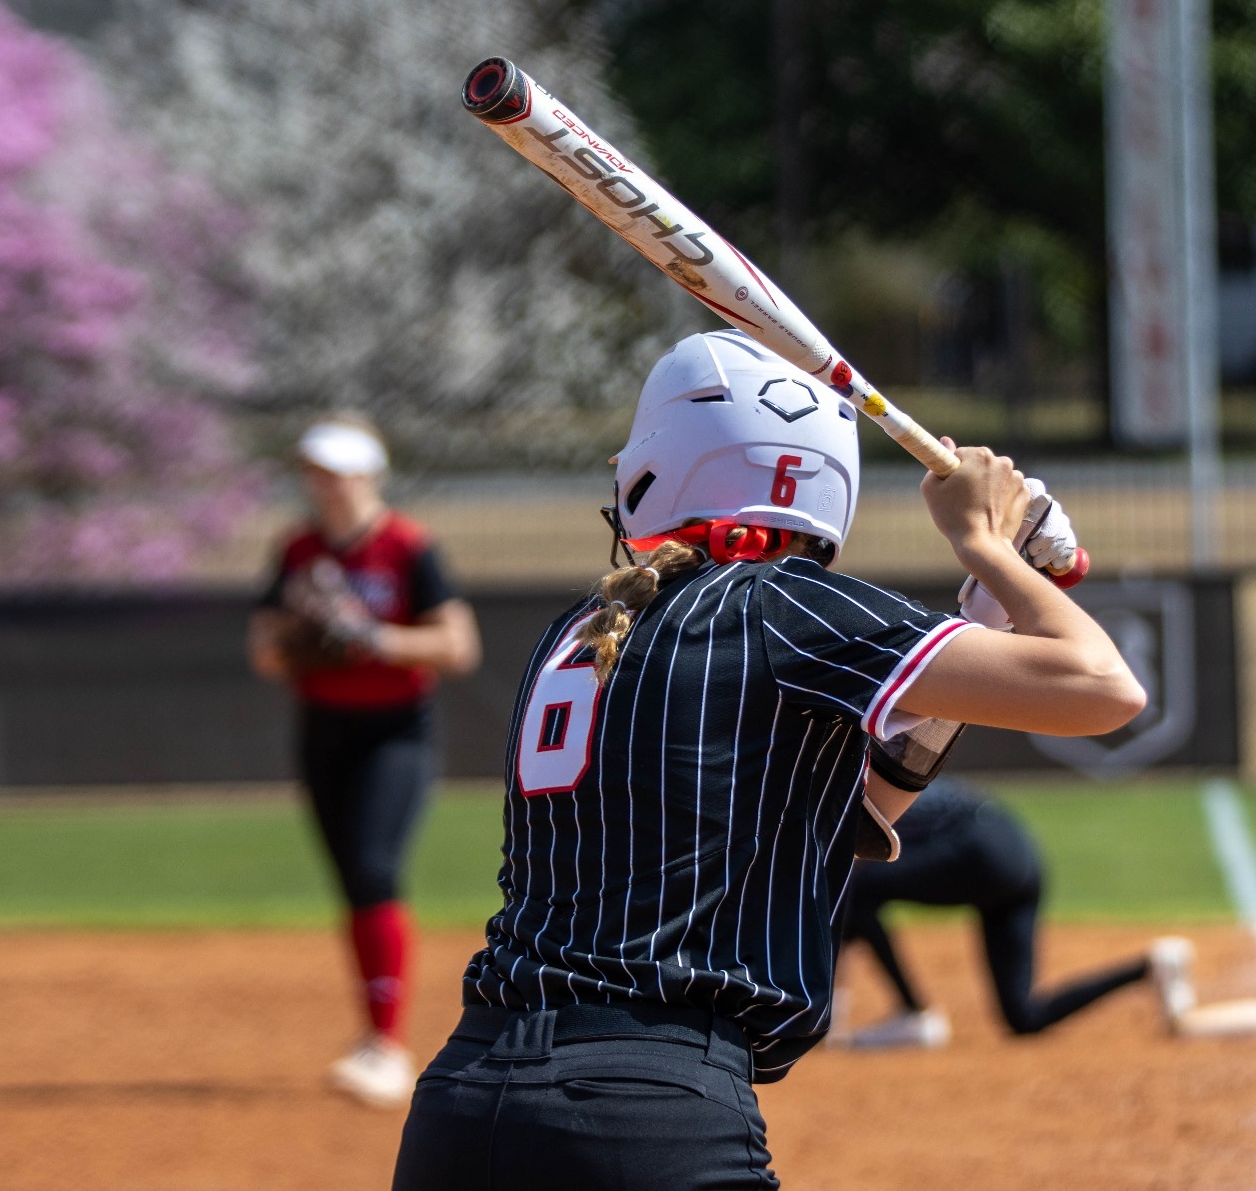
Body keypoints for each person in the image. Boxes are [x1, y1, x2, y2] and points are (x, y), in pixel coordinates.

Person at [390, 331, 1147, 1190]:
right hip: (646, 1114)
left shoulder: (586, 628)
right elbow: (1103, 687)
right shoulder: (780, 607)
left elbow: (841, 821)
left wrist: (992, 614)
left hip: (463, 1099)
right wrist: (988, 546)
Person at [247, 413, 483, 1107]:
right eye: (313, 471)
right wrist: (307, 635)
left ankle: (386, 1046)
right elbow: (264, 649)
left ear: (365, 474)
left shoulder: (408, 546)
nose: (320, 483)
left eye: (333, 470)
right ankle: (372, 1035)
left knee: (376, 867)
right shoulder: (297, 548)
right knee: (354, 880)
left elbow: (457, 646)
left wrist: (373, 637)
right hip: (323, 726)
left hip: (394, 730)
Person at [835, 777, 1192, 1049]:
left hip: (982, 851)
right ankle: (1149, 966)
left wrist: (834, 1000)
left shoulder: (859, 799)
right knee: (1024, 1017)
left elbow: (849, 898)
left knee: (860, 892)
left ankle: (913, 1014)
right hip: (1021, 856)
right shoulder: (891, 780)